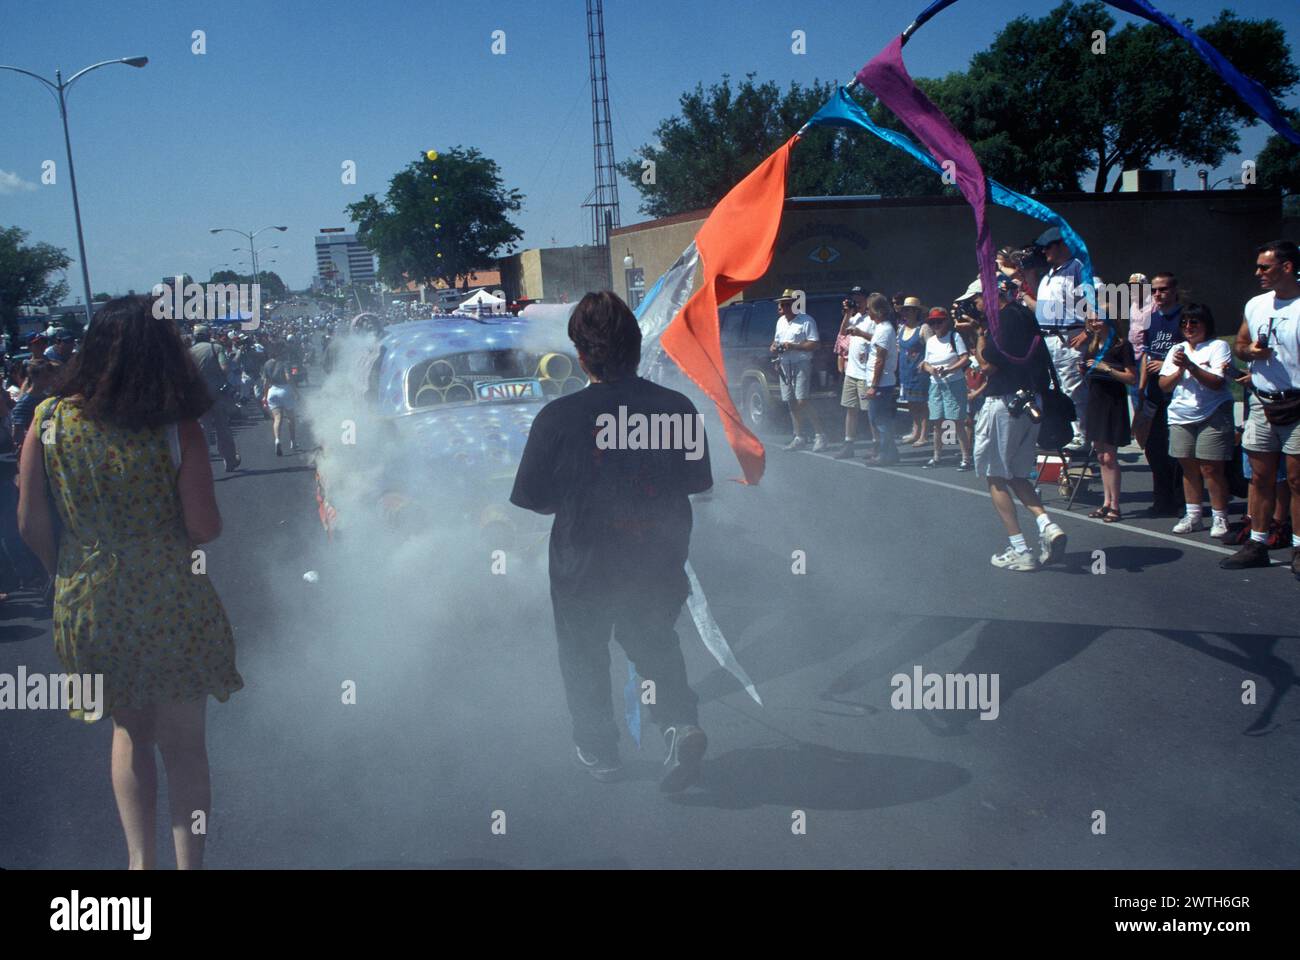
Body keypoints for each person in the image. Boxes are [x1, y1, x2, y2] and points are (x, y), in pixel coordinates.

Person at [16, 294, 243, 869]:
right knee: (185, 748)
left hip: (87, 598)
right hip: (170, 596)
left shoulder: (47, 421)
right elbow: (204, 526)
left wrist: (62, 572)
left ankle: (139, 868)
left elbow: (30, 521)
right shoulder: (175, 427)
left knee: (129, 733)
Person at [510, 291, 712, 791]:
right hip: (657, 560)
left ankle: (600, 750)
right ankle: (679, 724)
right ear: (638, 347)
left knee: (583, 657)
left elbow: (535, 499)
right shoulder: (677, 408)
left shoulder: (556, 419)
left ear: (580, 354)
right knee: (657, 647)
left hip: (584, 567)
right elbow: (698, 485)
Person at [971, 276, 1068, 570]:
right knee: (1016, 474)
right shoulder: (1026, 314)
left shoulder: (1000, 323)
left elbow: (987, 365)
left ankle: (1020, 549)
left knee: (995, 476)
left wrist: (980, 334)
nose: (974, 305)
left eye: (975, 299)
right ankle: (1047, 525)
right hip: (1032, 403)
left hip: (1005, 403)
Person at [1221, 239, 1300, 574]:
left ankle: (1298, 547)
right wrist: (1250, 352)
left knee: (1297, 481)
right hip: (1262, 402)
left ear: (1287, 267)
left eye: (1265, 267)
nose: (1258, 273)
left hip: (1297, 403)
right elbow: (1239, 343)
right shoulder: (1256, 305)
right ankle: (1257, 542)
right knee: (1261, 478)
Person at [1157, 303, 1234, 538]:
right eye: (1184, 323)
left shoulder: (1218, 346)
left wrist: (1191, 366)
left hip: (1212, 412)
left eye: (1194, 322)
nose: (1188, 327)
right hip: (1181, 414)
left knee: (1211, 468)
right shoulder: (1177, 349)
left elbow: (1217, 382)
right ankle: (1193, 516)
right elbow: (1164, 385)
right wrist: (1179, 371)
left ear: (1205, 324)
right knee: (1188, 468)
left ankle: (1220, 518)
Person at [1131, 272, 1185, 516]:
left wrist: (1166, 365)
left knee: (1178, 451)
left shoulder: (1185, 317)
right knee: (1154, 449)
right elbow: (1146, 355)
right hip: (1153, 393)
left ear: (1174, 290)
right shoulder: (1151, 318)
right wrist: (1141, 389)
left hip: (1178, 393)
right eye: (1154, 291)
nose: (1158, 295)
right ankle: (1161, 499)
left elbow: (1194, 353)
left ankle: (1179, 500)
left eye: (1163, 289)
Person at [1034, 227, 1091, 452]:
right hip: (1048, 339)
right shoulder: (1049, 274)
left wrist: (1088, 331)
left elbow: (1106, 300)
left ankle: (1081, 436)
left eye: (1048, 246)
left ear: (1062, 244)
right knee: (1053, 389)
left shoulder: (1078, 268)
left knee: (1073, 389)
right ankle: (1061, 432)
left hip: (1069, 337)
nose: (1044, 251)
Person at [1079, 315, 1137, 521]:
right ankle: (1105, 502)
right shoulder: (1092, 345)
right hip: (1095, 403)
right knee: (1101, 456)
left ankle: (1115, 505)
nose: (1094, 323)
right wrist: (1084, 369)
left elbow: (1132, 377)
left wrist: (1108, 369)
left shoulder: (1122, 346)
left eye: (1098, 320)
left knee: (1111, 457)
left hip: (1113, 404)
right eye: (1091, 320)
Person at [770, 289, 828, 452]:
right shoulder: (780, 322)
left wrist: (794, 346)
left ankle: (820, 435)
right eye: (781, 304)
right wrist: (775, 347)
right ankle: (799, 436)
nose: (782, 307)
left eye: (786, 304)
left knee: (802, 400)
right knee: (790, 401)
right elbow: (776, 341)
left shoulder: (806, 321)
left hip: (801, 363)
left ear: (794, 305)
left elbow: (814, 344)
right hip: (784, 363)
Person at [921, 307, 973, 470]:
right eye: (932, 322)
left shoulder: (954, 337)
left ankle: (965, 458)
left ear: (946, 322)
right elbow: (926, 362)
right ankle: (937, 457)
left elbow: (965, 358)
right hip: (936, 384)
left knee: (957, 420)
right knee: (937, 421)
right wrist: (930, 369)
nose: (936, 325)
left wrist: (950, 369)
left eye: (939, 321)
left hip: (953, 382)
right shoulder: (930, 341)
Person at [188, 324, 240, 472]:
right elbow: (225, 368)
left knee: (203, 430)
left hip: (198, 396)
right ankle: (229, 460)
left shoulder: (189, 352)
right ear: (207, 334)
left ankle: (202, 463)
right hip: (217, 395)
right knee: (222, 428)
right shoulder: (216, 348)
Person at [858, 293, 900, 465]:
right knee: (877, 418)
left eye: (869, 308)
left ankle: (885, 454)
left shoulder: (884, 330)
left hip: (882, 383)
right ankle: (892, 452)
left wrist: (874, 385)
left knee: (879, 419)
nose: (867, 312)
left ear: (877, 310)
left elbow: (880, 359)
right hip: (879, 381)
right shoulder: (880, 329)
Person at [837, 289, 875, 459]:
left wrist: (860, 333)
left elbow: (878, 338)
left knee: (869, 410)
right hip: (851, 370)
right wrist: (847, 313)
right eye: (854, 300)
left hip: (865, 372)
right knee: (850, 408)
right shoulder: (854, 318)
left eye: (860, 299)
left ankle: (876, 443)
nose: (857, 302)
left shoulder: (871, 319)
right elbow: (843, 333)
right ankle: (848, 443)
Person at [897, 296, 932, 447]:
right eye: (905, 310)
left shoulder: (923, 328)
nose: (907, 313)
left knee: (921, 404)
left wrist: (925, 361)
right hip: (905, 371)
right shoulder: (901, 329)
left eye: (911, 310)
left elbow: (932, 348)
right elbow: (899, 348)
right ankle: (915, 431)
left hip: (919, 372)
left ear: (917, 312)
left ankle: (924, 435)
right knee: (911, 403)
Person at [261, 345, 299, 455]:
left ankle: (277, 440)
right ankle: (293, 441)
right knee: (291, 418)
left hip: (272, 391)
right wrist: (296, 391)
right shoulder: (284, 363)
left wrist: (265, 395)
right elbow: (288, 377)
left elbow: (265, 382)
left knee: (277, 419)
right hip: (285, 390)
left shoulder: (267, 364)